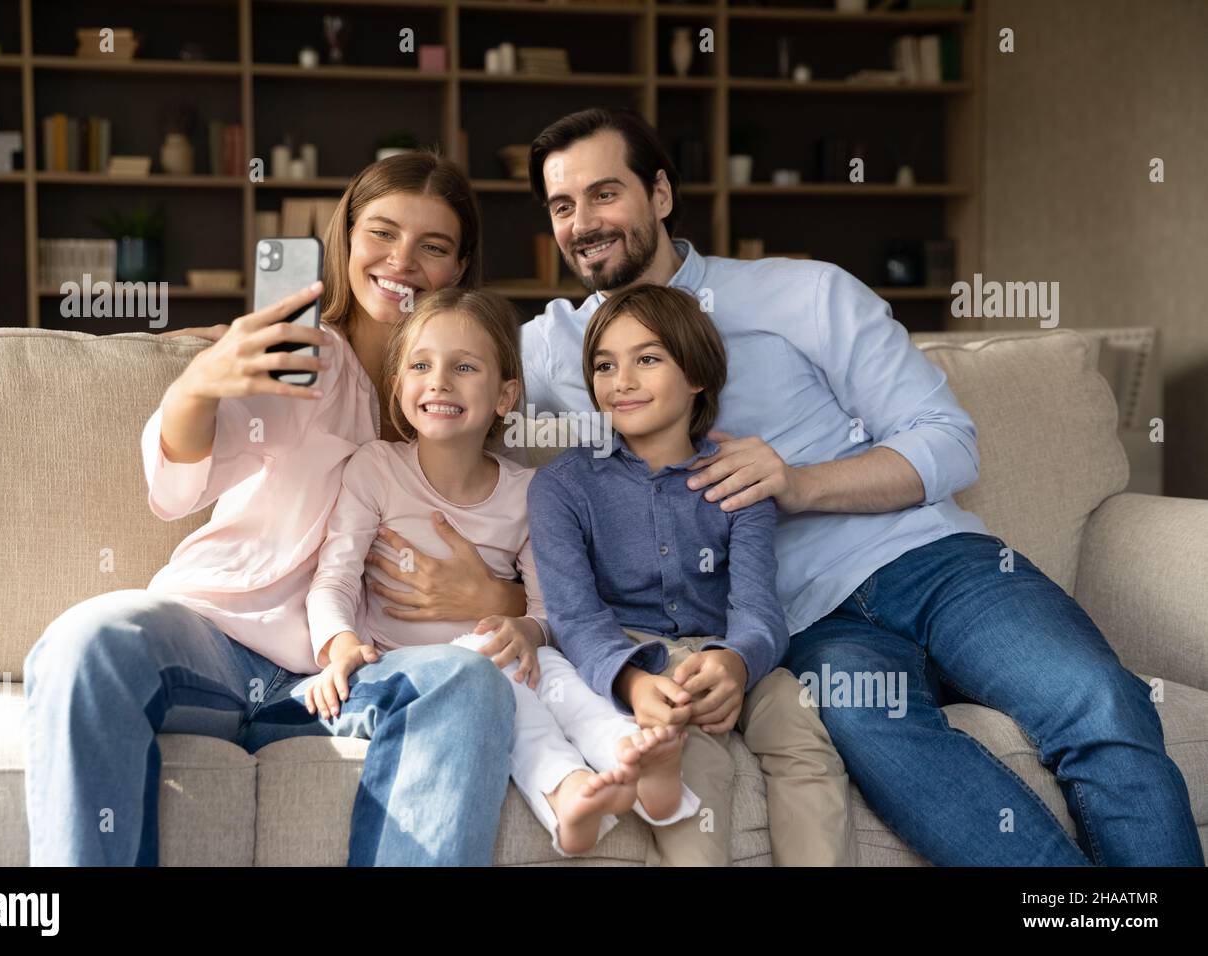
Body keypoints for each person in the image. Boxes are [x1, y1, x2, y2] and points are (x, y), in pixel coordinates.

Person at [521, 106, 1203, 866]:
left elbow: (947, 441)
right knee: (886, 742)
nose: (584, 222)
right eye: (562, 205)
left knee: (1096, 700)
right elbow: (435, 368)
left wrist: (798, 483)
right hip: (810, 624)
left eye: (604, 193)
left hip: (936, 564)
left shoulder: (804, 293)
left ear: (660, 194)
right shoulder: (560, 346)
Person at [23, 152, 526, 866]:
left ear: (459, 267)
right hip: (215, 643)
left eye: (433, 247)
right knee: (86, 640)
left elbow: (545, 572)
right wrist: (199, 384)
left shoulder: (465, 395)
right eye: (380, 234)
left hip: (359, 674)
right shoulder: (305, 359)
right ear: (345, 241)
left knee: (470, 684)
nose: (401, 262)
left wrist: (497, 597)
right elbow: (175, 489)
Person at [307, 286, 700, 857]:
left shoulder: (527, 491)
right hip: (408, 672)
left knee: (555, 673)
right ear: (398, 386)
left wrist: (528, 631)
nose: (439, 381)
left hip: (499, 654)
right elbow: (335, 577)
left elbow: (550, 607)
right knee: (497, 681)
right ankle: (566, 790)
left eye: (464, 367)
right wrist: (340, 644)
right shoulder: (375, 469)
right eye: (421, 365)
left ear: (505, 396)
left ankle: (634, 756)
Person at [528, 283, 852, 866]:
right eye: (605, 365)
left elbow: (757, 604)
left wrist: (737, 659)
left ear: (697, 375)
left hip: (733, 656)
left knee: (800, 729)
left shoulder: (737, 478)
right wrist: (632, 683)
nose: (622, 380)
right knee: (694, 753)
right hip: (638, 656)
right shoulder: (561, 487)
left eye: (647, 359)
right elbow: (574, 617)